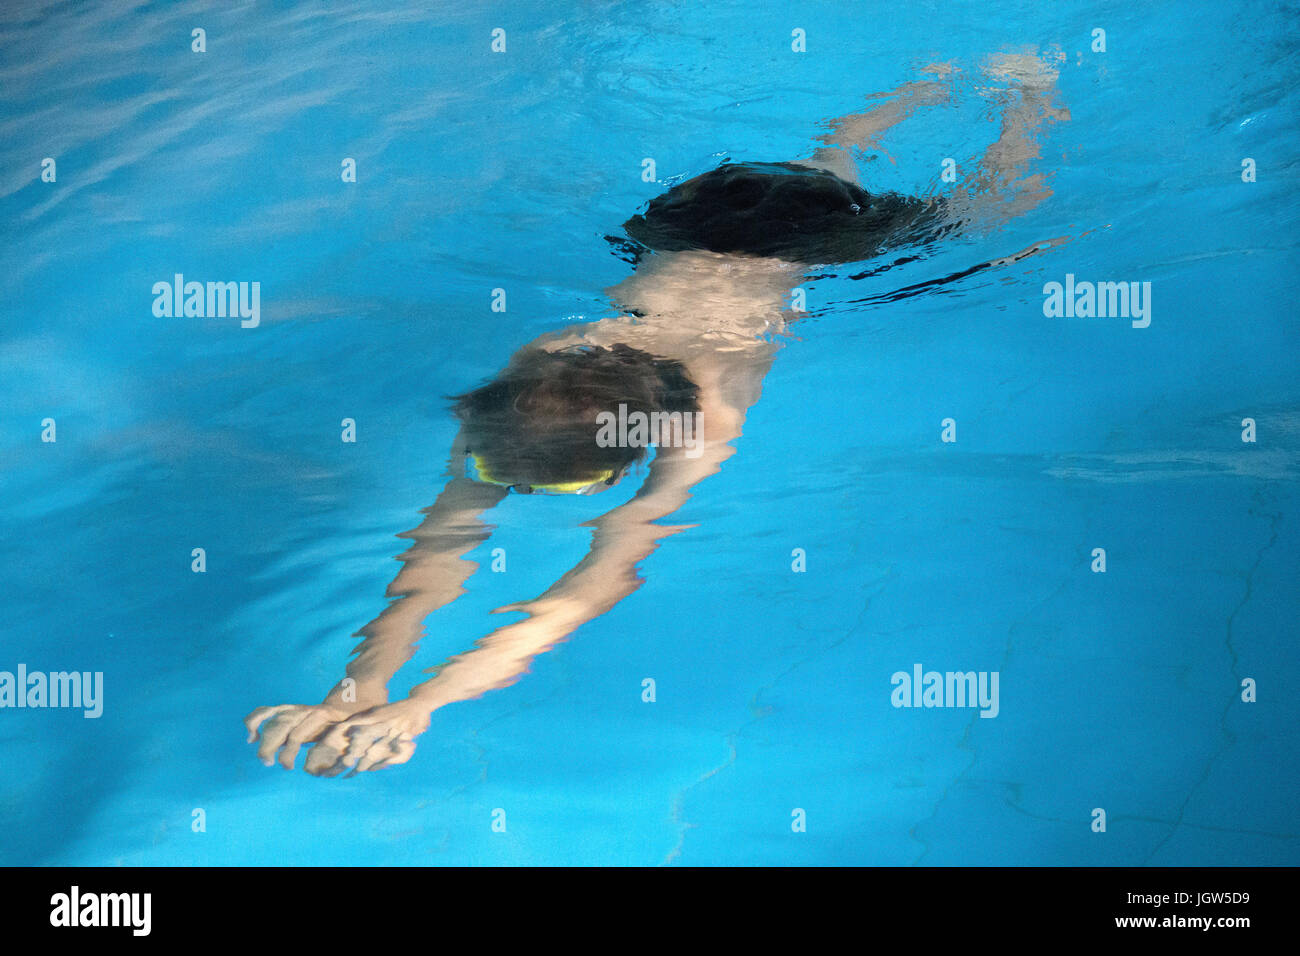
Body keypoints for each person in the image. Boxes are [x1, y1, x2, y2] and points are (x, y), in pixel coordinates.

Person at [246, 54, 1069, 775]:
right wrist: (363, 687)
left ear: (618, 463)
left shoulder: (711, 414)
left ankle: (1030, 102)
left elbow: (599, 578)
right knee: (832, 155)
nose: (493, 482)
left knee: (994, 216)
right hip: (699, 214)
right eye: (490, 466)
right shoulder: (534, 376)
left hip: (800, 233)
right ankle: (930, 88)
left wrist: (426, 703)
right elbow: (444, 540)